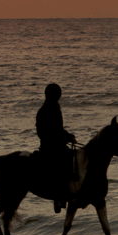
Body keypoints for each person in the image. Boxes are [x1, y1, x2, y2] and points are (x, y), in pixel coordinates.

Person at [35, 83, 77, 213]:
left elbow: (59, 129)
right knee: (62, 163)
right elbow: (42, 133)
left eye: (58, 95)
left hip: (58, 144)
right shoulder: (43, 111)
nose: (57, 97)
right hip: (49, 147)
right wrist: (60, 139)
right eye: (55, 95)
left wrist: (68, 135)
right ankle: (58, 197)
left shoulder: (56, 108)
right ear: (49, 95)